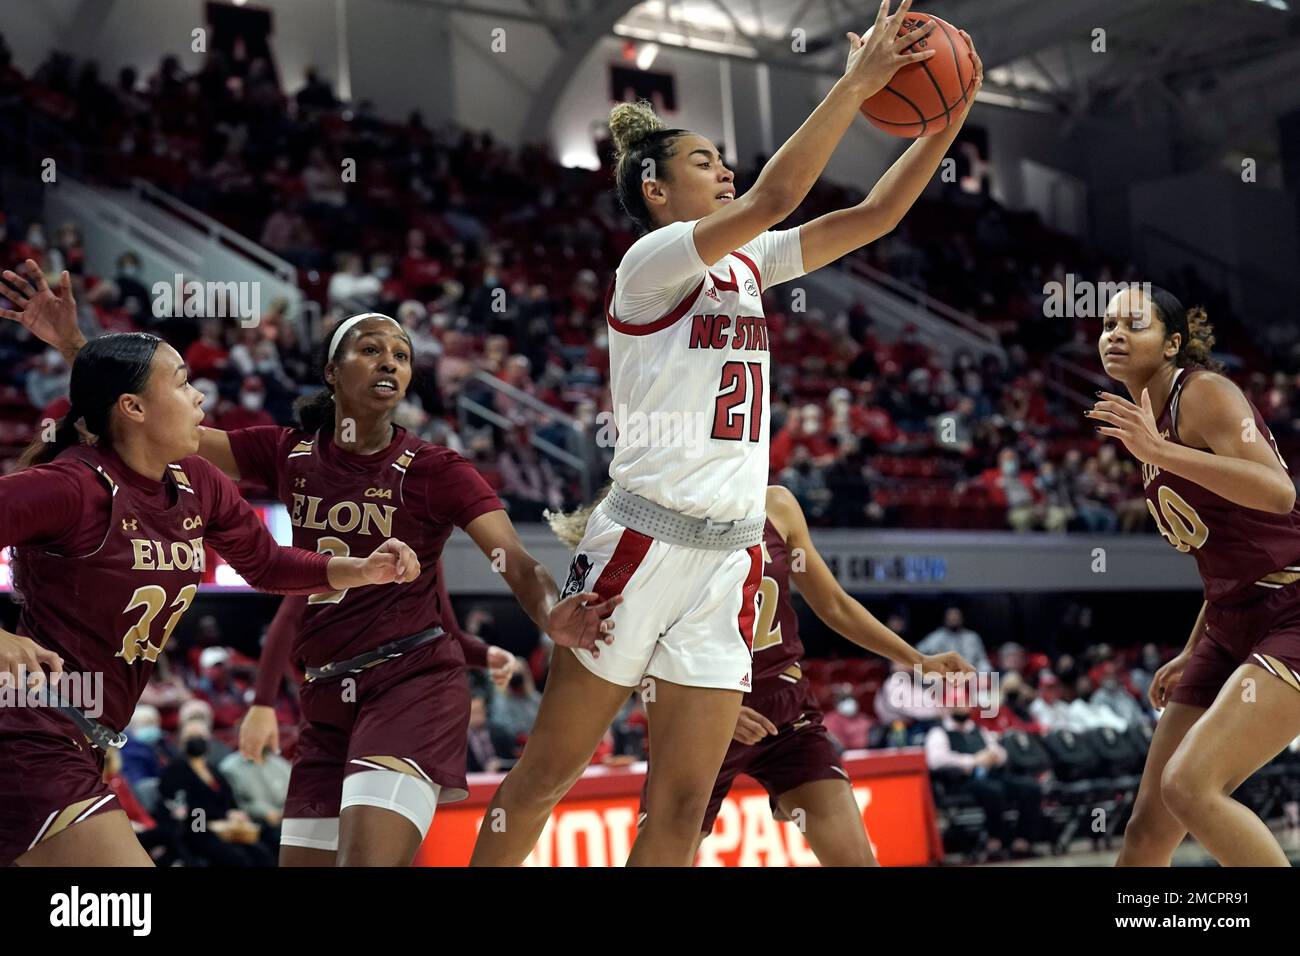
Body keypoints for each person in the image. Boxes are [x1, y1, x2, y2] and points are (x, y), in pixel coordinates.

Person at [471, 2, 982, 868]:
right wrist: (856, 84)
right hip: (641, 540)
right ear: (657, 192)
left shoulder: (749, 263)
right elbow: (781, 193)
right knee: (548, 775)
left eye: (722, 158)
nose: (725, 168)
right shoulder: (652, 263)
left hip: (731, 558)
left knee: (676, 807)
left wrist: (948, 115)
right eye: (704, 161)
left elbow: (876, 215)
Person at [5, 268, 601, 868]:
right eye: (371, 350)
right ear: (331, 372)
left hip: (408, 680)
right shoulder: (253, 457)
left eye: (402, 354)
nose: (390, 363)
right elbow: (130, 408)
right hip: (287, 700)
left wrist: (362, 571)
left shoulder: (426, 469)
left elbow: (268, 561)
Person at [0, 271, 416, 867]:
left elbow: (267, 563)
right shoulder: (73, 487)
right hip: (27, 733)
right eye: (184, 383)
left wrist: (360, 569)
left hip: (82, 738)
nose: (201, 398)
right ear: (134, 408)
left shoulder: (196, 482)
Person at [548, 484, 972, 865]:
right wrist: (710, 713)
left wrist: (919, 659)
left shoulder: (778, 505)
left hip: (787, 711)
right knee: (664, 849)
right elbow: (633, 648)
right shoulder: (662, 520)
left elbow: (835, 605)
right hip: (698, 713)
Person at [1087, 286, 1300, 866]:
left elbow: (1280, 494)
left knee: (1191, 787)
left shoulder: (1203, 393)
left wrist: (1161, 449)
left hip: (1292, 609)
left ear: (1174, 343)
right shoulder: (1147, 427)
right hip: (1230, 621)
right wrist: (1190, 650)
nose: (1115, 334)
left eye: (1134, 323)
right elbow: (1226, 562)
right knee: (1148, 829)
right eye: (1108, 324)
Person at [917, 606, 991, 673]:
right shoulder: (937, 636)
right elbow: (919, 652)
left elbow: (982, 660)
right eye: (951, 616)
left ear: (962, 618)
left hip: (970, 676)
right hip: (944, 676)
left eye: (956, 616)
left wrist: (985, 672)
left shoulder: (972, 637)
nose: (953, 618)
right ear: (945, 619)